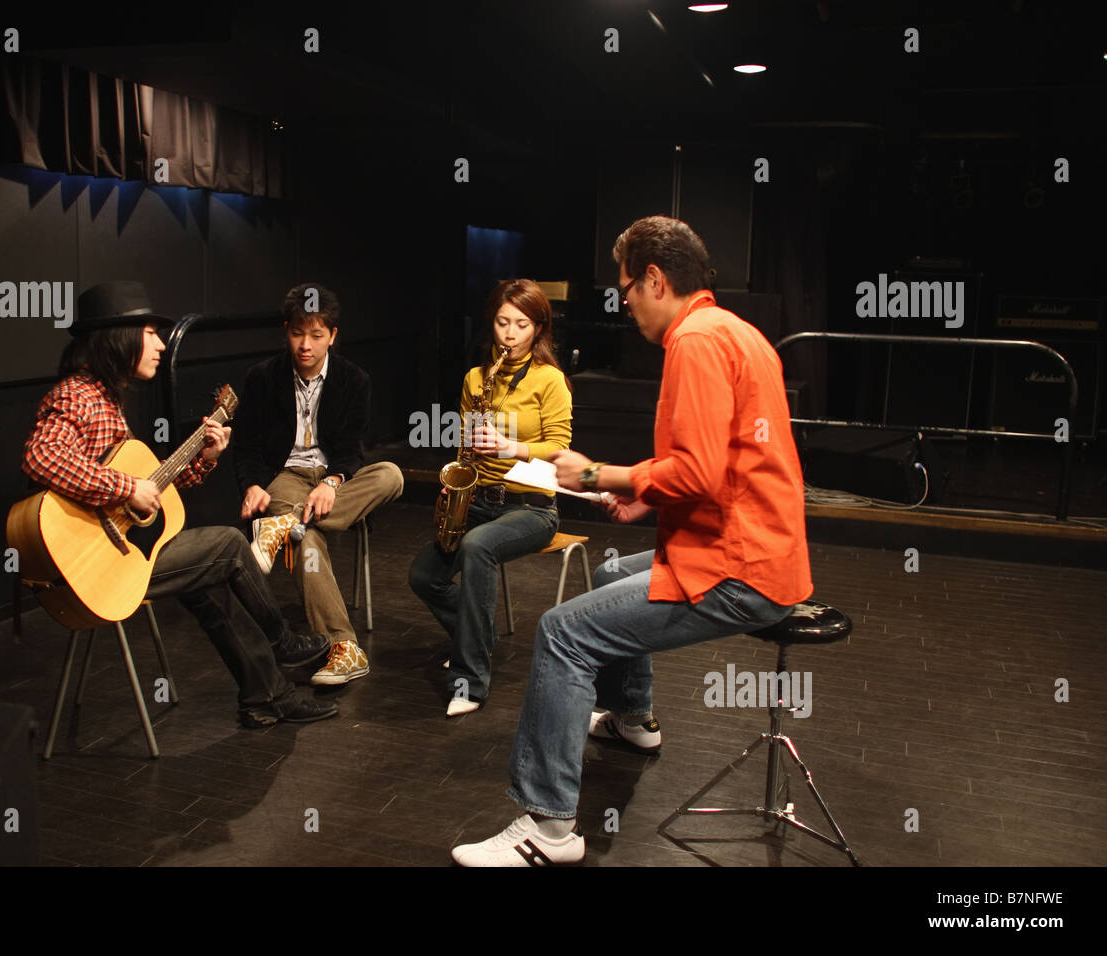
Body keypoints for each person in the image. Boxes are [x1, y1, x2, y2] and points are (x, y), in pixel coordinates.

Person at [450, 217, 814, 866]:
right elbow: (725, 466)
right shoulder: (740, 332)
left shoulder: (696, 342)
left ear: (655, 278)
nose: (624, 302)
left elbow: (699, 471)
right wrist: (648, 492)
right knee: (610, 571)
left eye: (626, 288)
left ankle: (549, 829)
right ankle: (632, 717)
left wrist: (596, 474)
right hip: (761, 550)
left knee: (563, 632)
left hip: (738, 568)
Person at [21, 280, 337, 729]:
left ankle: (266, 697)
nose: (161, 343)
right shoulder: (78, 396)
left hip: (114, 557)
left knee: (208, 582)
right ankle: (281, 641)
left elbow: (152, 486)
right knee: (229, 544)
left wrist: (203, 458)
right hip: (92, 570)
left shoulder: (107, 400)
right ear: (118, 337)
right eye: (150, 333)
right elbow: (41, 456)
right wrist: (124, 488)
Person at [409, 279, 572, 717]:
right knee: (425, 575)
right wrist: (457, 483)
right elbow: (466, 444)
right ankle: (476, 635)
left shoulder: (550, 380)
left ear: (538, 329)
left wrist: (511, 447)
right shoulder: (476, 379)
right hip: (480, 498)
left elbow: (560, 451)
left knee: (477, 546)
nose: (510, 334)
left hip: (532, 507)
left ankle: (469, 680)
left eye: (521, 324)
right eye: (503, 323)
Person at [234, 283, 404, 686]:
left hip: (334, 480)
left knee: (391, 475)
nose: (305, 345)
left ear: (333, 336)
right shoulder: (262, 378)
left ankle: (280, 526)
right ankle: (343, 649)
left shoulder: (353, 379)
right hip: (286, 476)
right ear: (286, 331)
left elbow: (351, 448)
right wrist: (253, 485)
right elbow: (247, 448)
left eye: (316, 334)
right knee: (305, 540)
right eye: (297, 332)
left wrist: (331, 481)